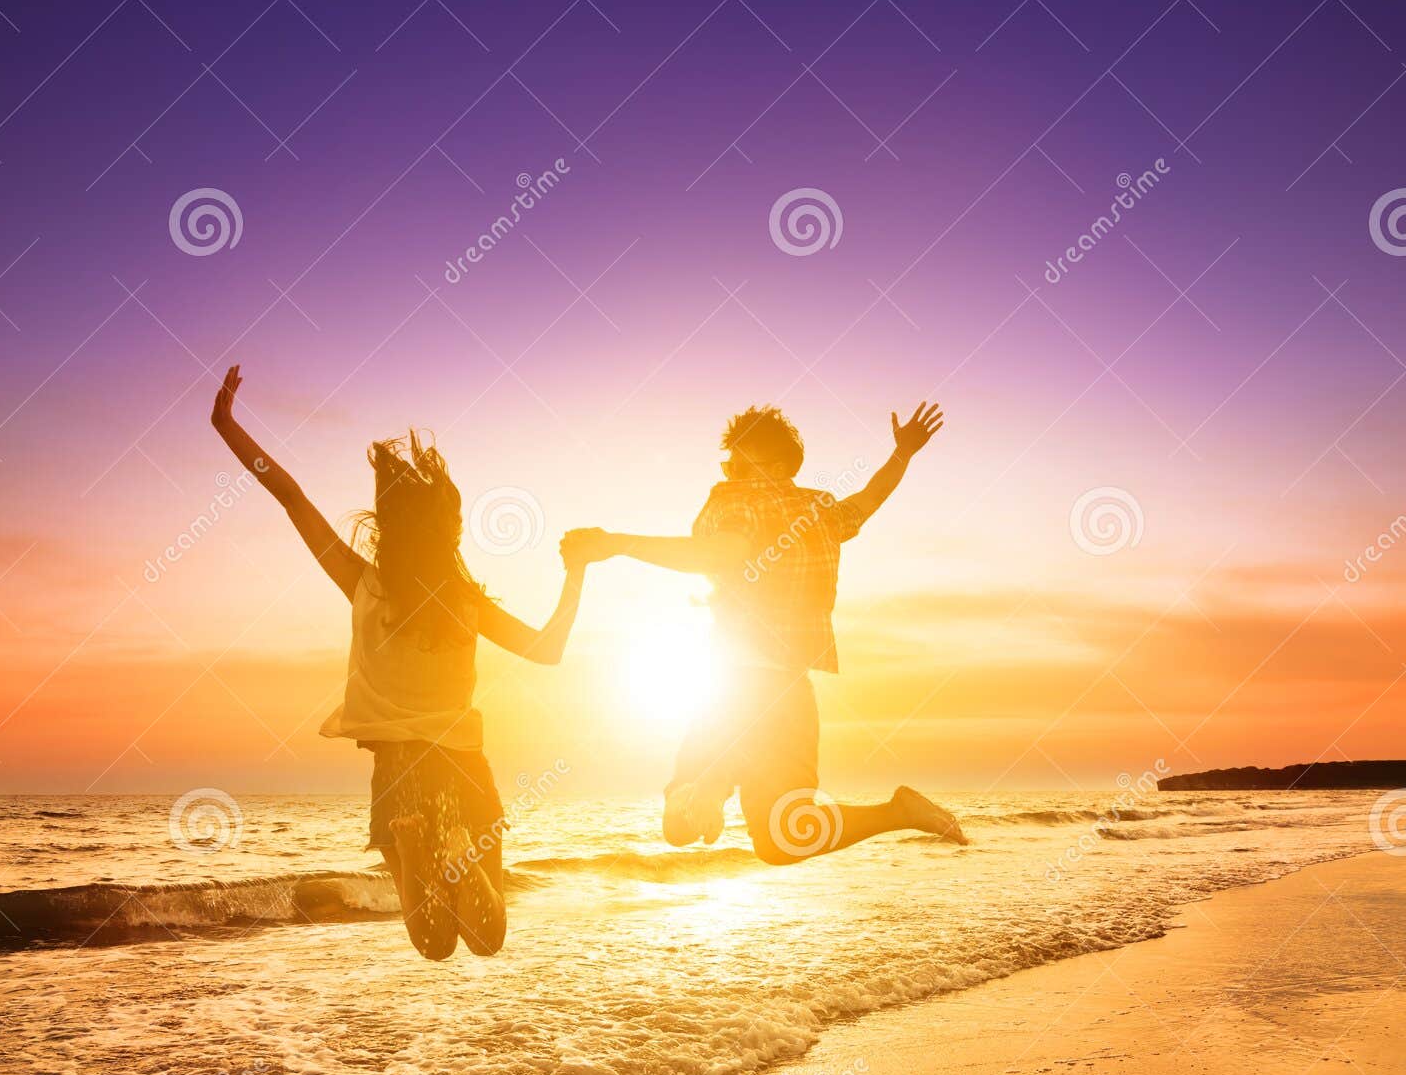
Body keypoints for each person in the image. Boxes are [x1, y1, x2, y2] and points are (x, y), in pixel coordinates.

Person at [210, 364, 590, 960]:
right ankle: (456, 851)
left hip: (397, 770)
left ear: (388, 527)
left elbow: (291, 497)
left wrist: (227, 427)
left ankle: (414, 848)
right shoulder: (465, 604)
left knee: (433, 943)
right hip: (464, 765)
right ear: (449, 531)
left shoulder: (363, 584)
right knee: (487, 939)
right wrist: (577, 575)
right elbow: (549, 650)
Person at [565, 401, 966, 864]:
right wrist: (903, 454)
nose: (729, 470)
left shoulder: (737, 497)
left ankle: (708, 790)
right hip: (790, 693)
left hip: (734, 683)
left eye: (738, 462)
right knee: (785, 840)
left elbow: (721, 553)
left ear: (774, 468)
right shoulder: (820, 511)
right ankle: (898, 812)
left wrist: (617, 543)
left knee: (678, 830)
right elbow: (871, 498)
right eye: (728, 462)